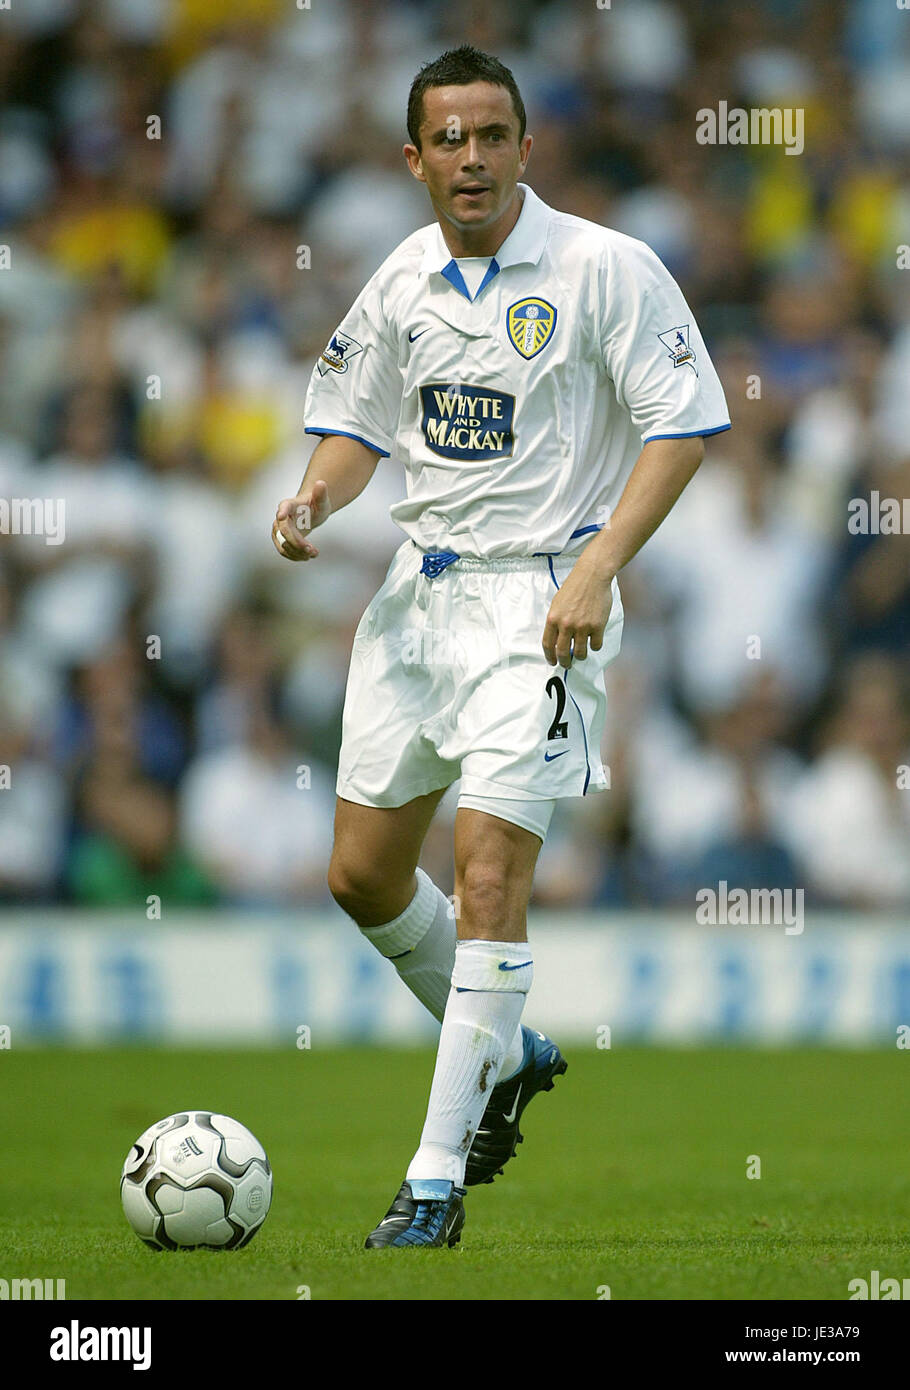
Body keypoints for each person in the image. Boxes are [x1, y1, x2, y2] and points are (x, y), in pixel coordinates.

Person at [272, 45, 730, 1248]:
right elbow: (355, 430)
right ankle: (509, 1057)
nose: (471, 157)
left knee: (486, 879)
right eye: (449, 139)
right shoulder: (400, 281)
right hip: (415, 605)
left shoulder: (600, 267)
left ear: (528, 147)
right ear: (413, 159)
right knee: (361, 875)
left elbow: (680, 426)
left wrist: (596, 565)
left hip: (539, 605)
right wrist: (315, 500)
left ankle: (433, 1180)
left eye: (493, 134)